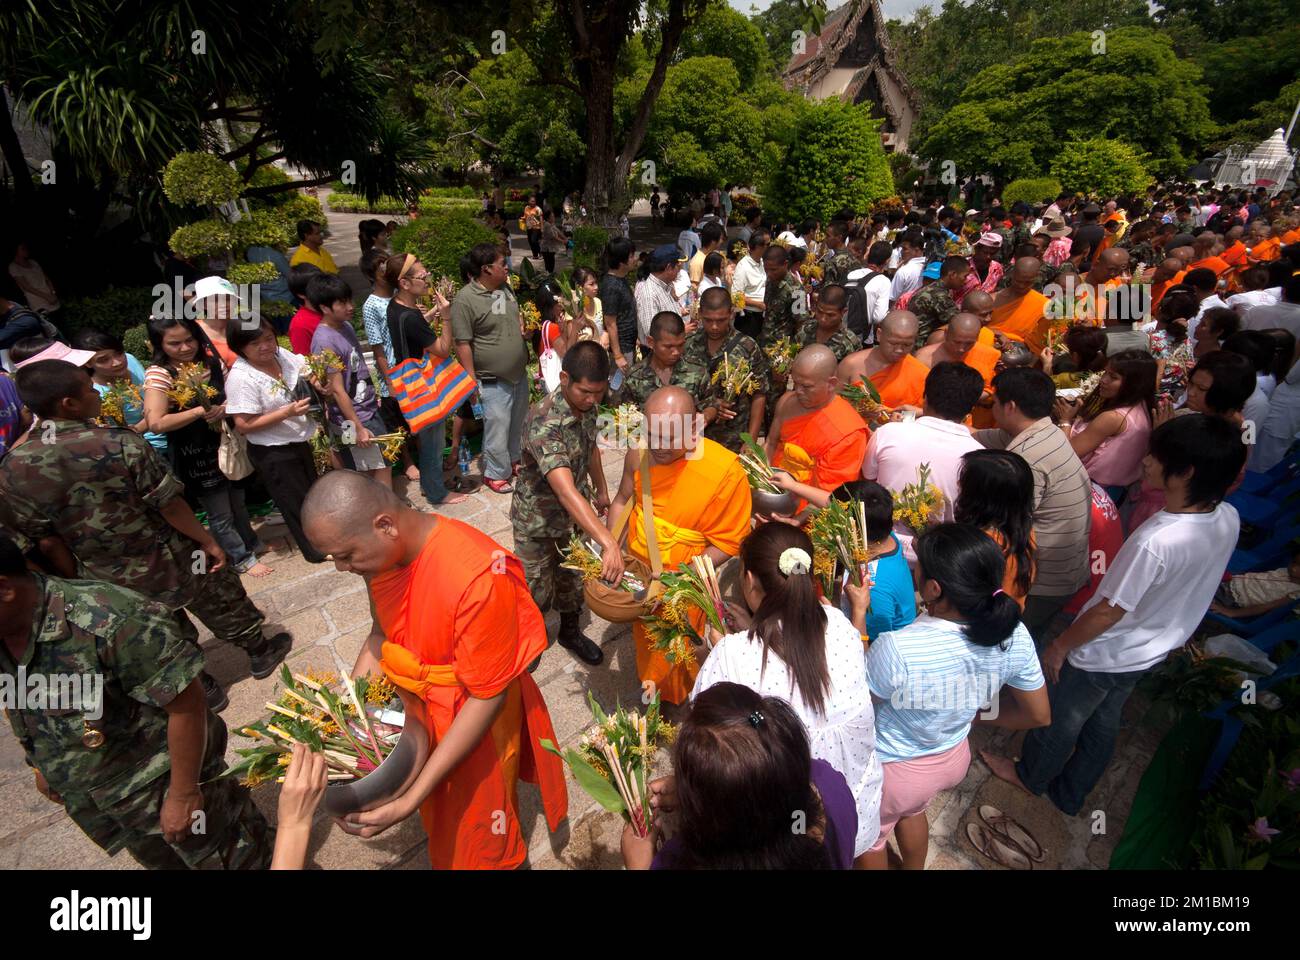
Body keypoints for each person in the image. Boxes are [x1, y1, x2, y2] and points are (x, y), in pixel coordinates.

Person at [300, 471, 568, 868]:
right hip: (422, 709)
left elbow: (486, 696)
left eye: (345, 555)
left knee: (479, 829)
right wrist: (347, 716)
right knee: (443, 816)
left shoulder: (477, 576)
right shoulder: (383, 559)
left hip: (477, 721)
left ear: (385, 525)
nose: (342, 568)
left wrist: (411, 798)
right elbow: (380, 635)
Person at [984, 415, 1245, 815]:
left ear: (1186, 472)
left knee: (1062, 716)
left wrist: (1060, 646)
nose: (1145, 462)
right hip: (1150, 648)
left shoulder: (1158, 540)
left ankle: (1031, 776)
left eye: (1157, 457)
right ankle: (1071, 792)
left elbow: (1108, 611)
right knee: (1104, 717)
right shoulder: (1226, 516)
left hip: (1105, 650)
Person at [0, 360, 291, 710]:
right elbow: (169, 504)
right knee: (218, 595)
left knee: (156, 625)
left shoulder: (13, 468)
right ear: (69, 404)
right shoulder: (117, 442)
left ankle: (202, 685)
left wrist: (77, 582)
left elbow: (43, 539)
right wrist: (208, 541)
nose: (97, 393)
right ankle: (259, 651)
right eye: (89, 389)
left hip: (107, 575)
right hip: (171, 552)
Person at [0, 535, 273, 869]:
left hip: (165, 785)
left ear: (4, 589)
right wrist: (41, 764)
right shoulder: (7, 631)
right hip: (113, 803)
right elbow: (20, 699)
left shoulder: (110, 618)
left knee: (236, 857)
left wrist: (184, 792)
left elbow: (187, 703)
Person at [692, 522, 884, 864]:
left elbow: (710, 731)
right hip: (855, 800)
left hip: (791, 821)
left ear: (749, 580)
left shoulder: (733, 656)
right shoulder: (838, 623)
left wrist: (716, 654)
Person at [865, 524, 1049, 869]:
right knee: (913, 810)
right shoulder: (1016, 633)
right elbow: (1038, 714)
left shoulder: (898, 648)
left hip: (895, 768)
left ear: (933, 589)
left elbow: (863, 706)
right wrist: (976, 714)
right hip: (951, 757)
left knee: (870, 840)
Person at [607, 387, 752, 705]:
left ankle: (679, 696)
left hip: (684, 584)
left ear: (696, 426)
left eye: (669, 438)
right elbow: (621, 500)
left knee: (680, 649)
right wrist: (610, 546)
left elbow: (729, 542)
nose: (657, 446)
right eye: (651, 434)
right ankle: (651, 687)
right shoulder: (640, 450)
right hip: (641, 576)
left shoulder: (725, 472)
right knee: (647, 641)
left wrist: (682, 577)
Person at [623, 683, 858, 869]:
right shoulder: (830, 786)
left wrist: (640, 865)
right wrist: (700, 790)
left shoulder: (677, 860)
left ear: (714, 825)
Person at [511, 342, 619, 667]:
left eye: (598, 393)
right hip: (538, 523)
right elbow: (566, 491)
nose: (592, 399)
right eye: (586, 391)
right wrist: (608, 541)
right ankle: (527, 641)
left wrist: (601, 489)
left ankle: (570, 633)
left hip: (573, 521)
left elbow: (591, 448)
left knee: (572, 579)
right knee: (535, 589)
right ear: (564, 377)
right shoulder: (544, 421)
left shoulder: (588, 407)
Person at [142, 315, 271, 578]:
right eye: (174, 344)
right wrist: (200, 411)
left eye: (189, 339)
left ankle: (251, 543)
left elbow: (231, 395)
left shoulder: (210, 362)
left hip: (224, 443)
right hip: (194, 452)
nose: (185, 348)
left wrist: (223, 409)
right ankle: (240, 557)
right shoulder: (160, 374)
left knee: (238, 500)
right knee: (219, 511)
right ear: (160, 345)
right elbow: (156, 422)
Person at [973, 368, 1092, 641]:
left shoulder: (1026, 458)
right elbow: (978, 436)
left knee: (1008, 644)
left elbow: (1002, 527)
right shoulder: (1043, 431)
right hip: (1062, 571)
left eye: (995, 403)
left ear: (1010, 406)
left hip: (1042, 583)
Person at [224, 314, 329, 562]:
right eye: (255, 344)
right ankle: (314, 551)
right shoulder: (241, 377)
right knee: (295, 502)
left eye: (269, 339)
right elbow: (244, 425)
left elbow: (305, 369)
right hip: (273, 451)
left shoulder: (281, 356)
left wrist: (317, 382)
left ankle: (325, 539)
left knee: (313, 495)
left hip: (299, 439)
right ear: (240, 347)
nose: (265, 347)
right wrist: (286, 412)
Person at [862, 361, 985, 558]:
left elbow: (868, 478)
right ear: (970, 409)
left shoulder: (889, 432)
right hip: (941, 556)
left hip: (882, 547)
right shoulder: (978, 457)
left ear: (925, 397)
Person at [382, 252, 465, 504]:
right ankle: (437, 492)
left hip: (411, 382)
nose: (427, 279)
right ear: (404, 283)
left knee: (429, 437)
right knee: (433, 440)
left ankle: (431, 484)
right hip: (424, 385)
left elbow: (411, 332)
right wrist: (447, 316)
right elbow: (441, 348)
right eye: (422, 276)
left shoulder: (396, 306)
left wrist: (429, 316)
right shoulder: (409, 316)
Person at [452, 243, 530, 495]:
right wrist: (470, 379)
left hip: (518, 374)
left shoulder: (504, 289)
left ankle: (514, 459)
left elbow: (511, 319)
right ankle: (495, 473)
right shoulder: (466, 299)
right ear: (486, 269)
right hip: (491, 379)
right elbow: (462, 343)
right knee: (497, 425)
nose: (507, 266)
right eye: (502, 263)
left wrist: (523, 330)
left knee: (516, 423)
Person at [308, 273, 391, 487]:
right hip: (353, 416)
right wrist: (357, 427)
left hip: (366, 407)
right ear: (325, 308)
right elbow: (337, 390)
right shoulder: (324, 341)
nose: (350, 306)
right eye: (342, 302)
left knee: (378, 464)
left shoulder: (345, 327)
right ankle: (385, 511)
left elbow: (357, 369)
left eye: (349, 300)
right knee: (375, 467)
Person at [767, 345, 870, 503]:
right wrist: (761, 481)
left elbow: (835, 495)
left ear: (831, 383)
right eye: (795, 383)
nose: (798, 391)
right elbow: (771, 443)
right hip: (774, 492)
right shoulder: (787, 401)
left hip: (811, 510)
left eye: (807, 386)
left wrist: (797, 520)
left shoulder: (848, 432)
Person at [1054, 350, 1156, 505]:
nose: (1103, 380)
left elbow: (1066, 453)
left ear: (1134, 384)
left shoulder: (1113, 418)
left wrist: (1065, 420)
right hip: (1115, 492)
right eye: (1105, 373)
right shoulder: (1142, 406)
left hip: (1092, 494)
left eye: (1113, 377)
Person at [683, 286, 768, 452]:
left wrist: (751, 440)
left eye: (721, 320)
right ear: (699, 313)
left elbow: (759, 394)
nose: (714, 326)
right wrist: (711, 407)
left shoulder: (747, 347)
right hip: (694, 438)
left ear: (731, 313)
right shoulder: (687, 344)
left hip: (733, 440)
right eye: (708, 320)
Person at [955, 450, 1036, 607]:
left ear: (979, 497)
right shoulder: (1023, 530)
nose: (958, 484)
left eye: (964, 482)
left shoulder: (978, 547)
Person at [72, 328, 166, 450]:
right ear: (88, 363)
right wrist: (158, 410)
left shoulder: (130, 359)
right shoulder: (96, 393)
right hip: (147, 448)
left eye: (119, 353)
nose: (117, 362)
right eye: (104, 360)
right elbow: (120, 435)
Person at [916, 312, 1001, 425]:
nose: (961, 349)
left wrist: (963, 398)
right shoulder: (925, 357)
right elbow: (916, 393)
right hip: (926, 418)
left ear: (977, 337)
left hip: (961, 421)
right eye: (957, 342)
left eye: (969, 343)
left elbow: (988, 389)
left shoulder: (987, 354)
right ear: (946, 334)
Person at [837, 311, 929, 411]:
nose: (899, 350)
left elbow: (930, 414)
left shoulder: (921, 373)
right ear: (879, 334)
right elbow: (835, 404)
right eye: (893, 343)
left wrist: (913, 412)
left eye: (907, 345)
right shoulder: (851, 365)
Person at [619, 310, 710, 410]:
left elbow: (711, 405)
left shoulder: (697, 372)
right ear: (651, 342)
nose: (675, 352)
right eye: (668, 347)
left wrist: (707, 415)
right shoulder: (634, 378)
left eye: (680, 345)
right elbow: (626, 416)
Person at [1210, 548, 1300, 620]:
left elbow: (1267, 607)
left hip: (1233, 599)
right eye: (1294, 562)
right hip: (1228, 583)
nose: (1294, 568)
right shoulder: (1284, 571)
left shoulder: (1296, 592)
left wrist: (1232, 613)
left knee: (1200, 593)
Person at [991, 257, 1051, 354]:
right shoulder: (993, 299)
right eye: (1018, 281)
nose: (1021, 286)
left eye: (1027, 282)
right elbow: (975, 328)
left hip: (1021, 355)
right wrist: (995, 333)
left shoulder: (1044, 304)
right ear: (1012, 274)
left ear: (1037, 277)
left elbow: (1040, 342)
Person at [908, 256, 968, 348]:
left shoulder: (931, 289)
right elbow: (959, 323)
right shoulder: (939, 295)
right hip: (920, 346)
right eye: (965, 276)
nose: (966, 281)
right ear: (953, 275)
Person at [635, 245, 688, 347]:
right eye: (678, 267)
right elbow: (651, 333)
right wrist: (683, 330)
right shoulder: (649, 294)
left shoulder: (666, 287)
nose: (679, 271)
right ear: (668, 268)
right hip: (658, 355)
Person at [599, 237, 638, 371]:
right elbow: (610, 322)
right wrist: (618, 355)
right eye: (632, 256)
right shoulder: (611, 286)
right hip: (622, 347)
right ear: (622, 262)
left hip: (629, 343)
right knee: (620, 387)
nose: (635, 259)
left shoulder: (621, 279)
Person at [795, 283, 862, 361]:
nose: (823, 319)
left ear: (843, 312)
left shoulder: (850, 343)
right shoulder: (805, 329)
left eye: (830, 315)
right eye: (820, 312)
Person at [760, 244, 803, 347]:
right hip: (765, 342)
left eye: (773, 269)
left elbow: (800, 323)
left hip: (781, 347)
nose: (769, 274)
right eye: (766, 270)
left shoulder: (796, 290)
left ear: (785, 264)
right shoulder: (771, 280)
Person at [732, 230, 769, 341]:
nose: (769, 247)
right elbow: (736, 296)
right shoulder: (743, 267)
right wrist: (758, 304)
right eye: (768, 244)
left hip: (761, 316)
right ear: (758, 247)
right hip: (748, 318)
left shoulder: (762, 262)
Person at [8, 240, 60, 320]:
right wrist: (47, 297)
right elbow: (27, 287)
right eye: (22, 249)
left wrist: (53, 292)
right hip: (37, 299)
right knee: (50, 323)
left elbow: (46, 278)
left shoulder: (33, 262)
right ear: (15, 251)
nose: (26, 250)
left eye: (25, 248)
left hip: (49, 294)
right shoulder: (13, 267)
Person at [286, 264, 323, 356]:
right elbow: (305, 362)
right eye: (315, 287)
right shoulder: (300, 325)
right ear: (301, 294)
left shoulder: (331, 310)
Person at [889, 228, 927, 304]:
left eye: (905, 249)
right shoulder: (929, 267)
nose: (901, 252)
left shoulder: (904, 271)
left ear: (916, 250)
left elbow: (892, 299)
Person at [540, 208, 566, 274]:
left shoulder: (552, 224)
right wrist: (563, 241)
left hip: (551, 248)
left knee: (551, 264)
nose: (554, 218)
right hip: (546, 248)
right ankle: (549, 277)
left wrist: (565, 238)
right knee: (549, 265)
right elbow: (553, 237)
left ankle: (550, 276)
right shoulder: (547, 224)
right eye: (552, 217)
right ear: (548, 218)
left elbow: (558, 231)